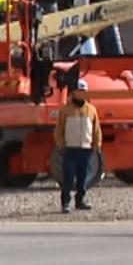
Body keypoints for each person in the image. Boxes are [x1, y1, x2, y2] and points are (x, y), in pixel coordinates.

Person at [55, 79, 101, 213]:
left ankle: (80, 200)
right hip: (70, 149)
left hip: (85, 150)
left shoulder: (91, 110)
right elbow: (58, 130)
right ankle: (65, 203)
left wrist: (96, 144)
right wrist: (62, 145)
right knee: (68, 178)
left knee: (83, 178)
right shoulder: (65, 111)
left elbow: (96, 129)